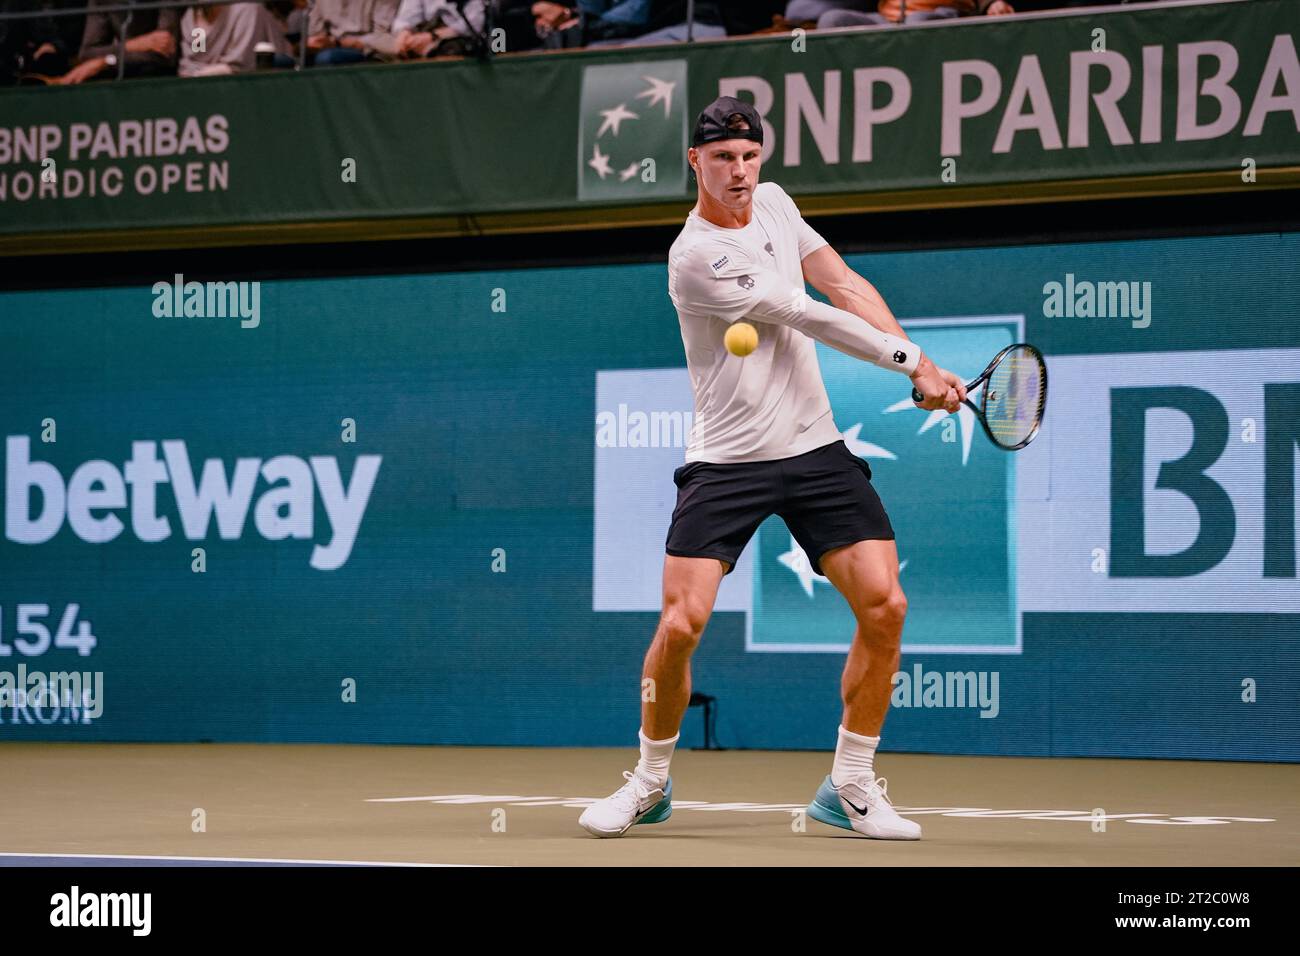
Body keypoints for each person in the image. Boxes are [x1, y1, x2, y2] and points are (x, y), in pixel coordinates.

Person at [578, 96, 966, 841]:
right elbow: (810, 315)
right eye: (723, 158)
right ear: (694, 162)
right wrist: (916, 365)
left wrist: (919, 361)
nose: (740, 172)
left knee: (886, 606)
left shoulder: (778, 205)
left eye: (751, 157)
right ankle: (650, 781)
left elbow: (842, 285)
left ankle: (849, 785)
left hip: (815, 449)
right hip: (728, 460)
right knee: (681, 623)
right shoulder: (694, 256)